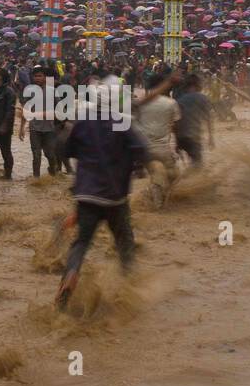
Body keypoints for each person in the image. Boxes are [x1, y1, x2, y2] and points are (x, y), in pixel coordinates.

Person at [54, 81, 148, 310]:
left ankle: (71, 275)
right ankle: (129, 288)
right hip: (115, 195)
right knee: (125, 241)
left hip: (86, 194)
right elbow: (142, 150)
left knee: (81, 242)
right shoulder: (122, 123)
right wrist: (135, 166)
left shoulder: (84, 124)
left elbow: (65, 149)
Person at [135, 71, 182, 208]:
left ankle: (153, 193)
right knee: (174, 175)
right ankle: (157, 194)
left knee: (155, 172)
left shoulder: (139, 103)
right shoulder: (171, 103)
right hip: (163, 149)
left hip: (143, 149)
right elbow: (176, 127)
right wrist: (178, 145)